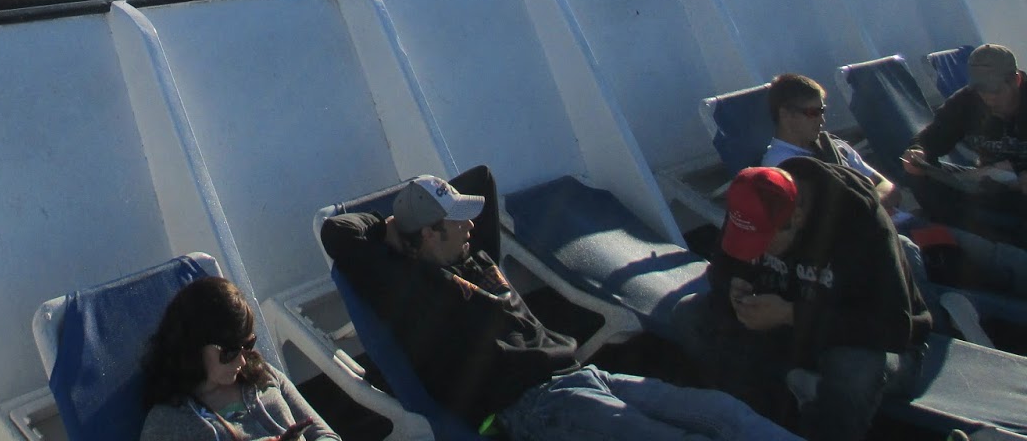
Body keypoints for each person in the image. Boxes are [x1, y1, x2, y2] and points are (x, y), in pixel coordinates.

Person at [320, 167, 800, 441]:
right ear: (426, 235)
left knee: (727, 415)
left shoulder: (467, 252)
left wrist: (425, 205)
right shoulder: (409, 288)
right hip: (530, 408)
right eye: (456, 221)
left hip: (583, 375)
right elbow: (336, 230)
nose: (471, 227)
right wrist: (394, 233)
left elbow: (480, 179)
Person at [676, 160, 931, 441]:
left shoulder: (861, 224)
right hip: (793, 333)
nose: (755, 251)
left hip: (874, 345)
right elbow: (725, 271)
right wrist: (733, 291)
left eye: (764, 242)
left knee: (852, 369)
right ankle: (753, 424)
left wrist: (793, 314)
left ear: (796, 218)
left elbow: (893, 329)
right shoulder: (754, 201)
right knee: (690, 316)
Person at [139, 276, 339, 441]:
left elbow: (325, 434)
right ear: (194, 347)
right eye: (230, 352)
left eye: (248, 346)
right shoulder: (168, 422)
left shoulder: (263, 374)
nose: (242, 361)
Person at [901, 44, 1027, 244]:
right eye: (982, 90)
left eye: (995, 89)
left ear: (1016, 80)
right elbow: (931, 138)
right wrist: (918, 153)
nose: (989, 97)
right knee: (921, 174)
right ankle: (956, 233)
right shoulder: (966, 102)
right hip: (992, 183)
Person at [761, 74, 899, 209]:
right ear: (785, 114)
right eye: (812, 113)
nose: (822, 120)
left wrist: (871, 203)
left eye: (822, 111)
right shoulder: (780, 166)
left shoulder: (833, 145)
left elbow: (888, 186)